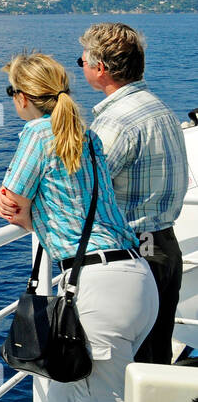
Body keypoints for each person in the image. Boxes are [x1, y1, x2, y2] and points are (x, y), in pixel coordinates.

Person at [0, 51, 157, 402]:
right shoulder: (88, 135)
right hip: (136, 280)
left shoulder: (37, 133)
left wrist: (8, 202)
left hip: (98, 288)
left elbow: (12, 201)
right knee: (68, 400)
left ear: (22, 97)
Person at [77, 22, 188, 364]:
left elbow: (83, 191)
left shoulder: (116, 122)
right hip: (165, 248)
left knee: (121, 368)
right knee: (154, 363)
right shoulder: (160, 109)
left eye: (81, 61)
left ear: (101, 68)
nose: (80, 66)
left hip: (133, 255)